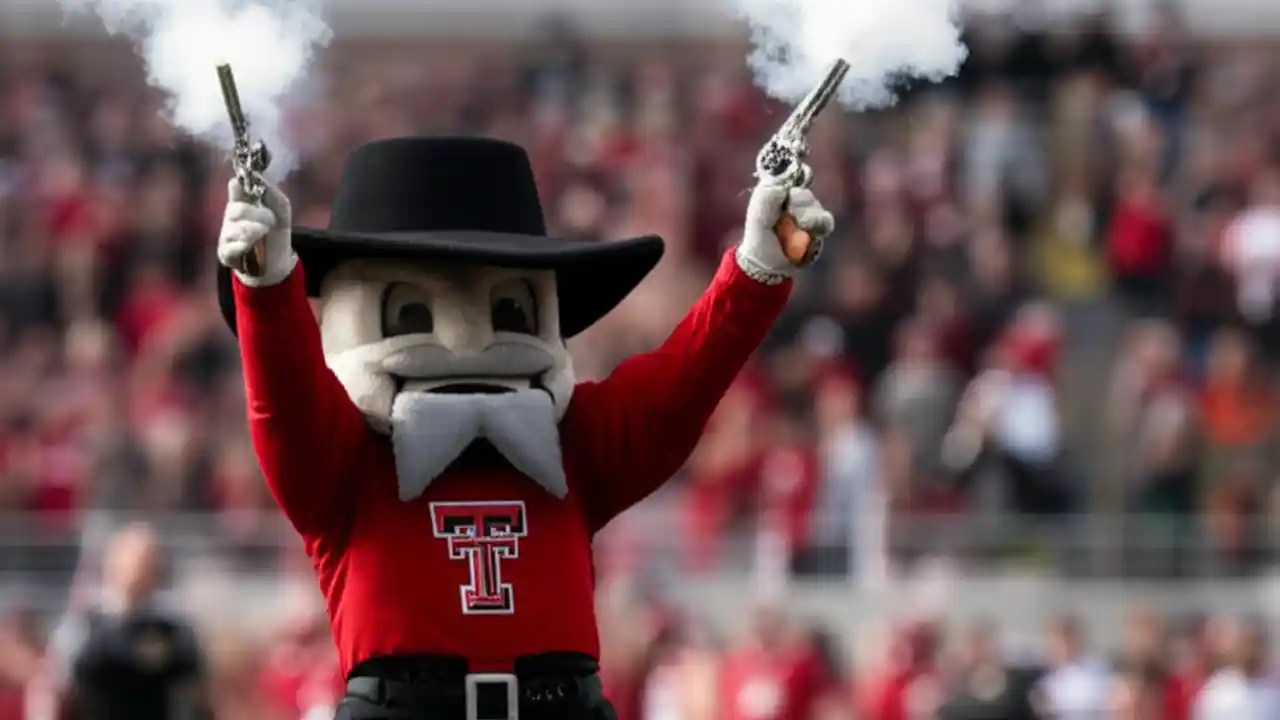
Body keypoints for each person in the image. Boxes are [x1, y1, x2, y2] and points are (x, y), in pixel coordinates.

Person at [214, 136, 835, 719]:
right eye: (411, 311)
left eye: (510, 307)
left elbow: (681, 385)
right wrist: (266, 290)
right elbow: (286, 403)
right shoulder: (346, 457)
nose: (466, 339)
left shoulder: (572, 443)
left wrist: (756, 271)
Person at [39, 523, 209, 720]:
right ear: (112, 562)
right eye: (136, 560)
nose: (142, 569)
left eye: (150, 561)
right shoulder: (84, 623)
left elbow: (197, 691)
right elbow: (53, 687)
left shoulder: (174, 627)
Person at [1193, 617, 1280, 719]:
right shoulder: (1216, 691)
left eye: (1254, 644)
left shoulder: (1274, 690)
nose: (1249, 652)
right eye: (1244, 645)